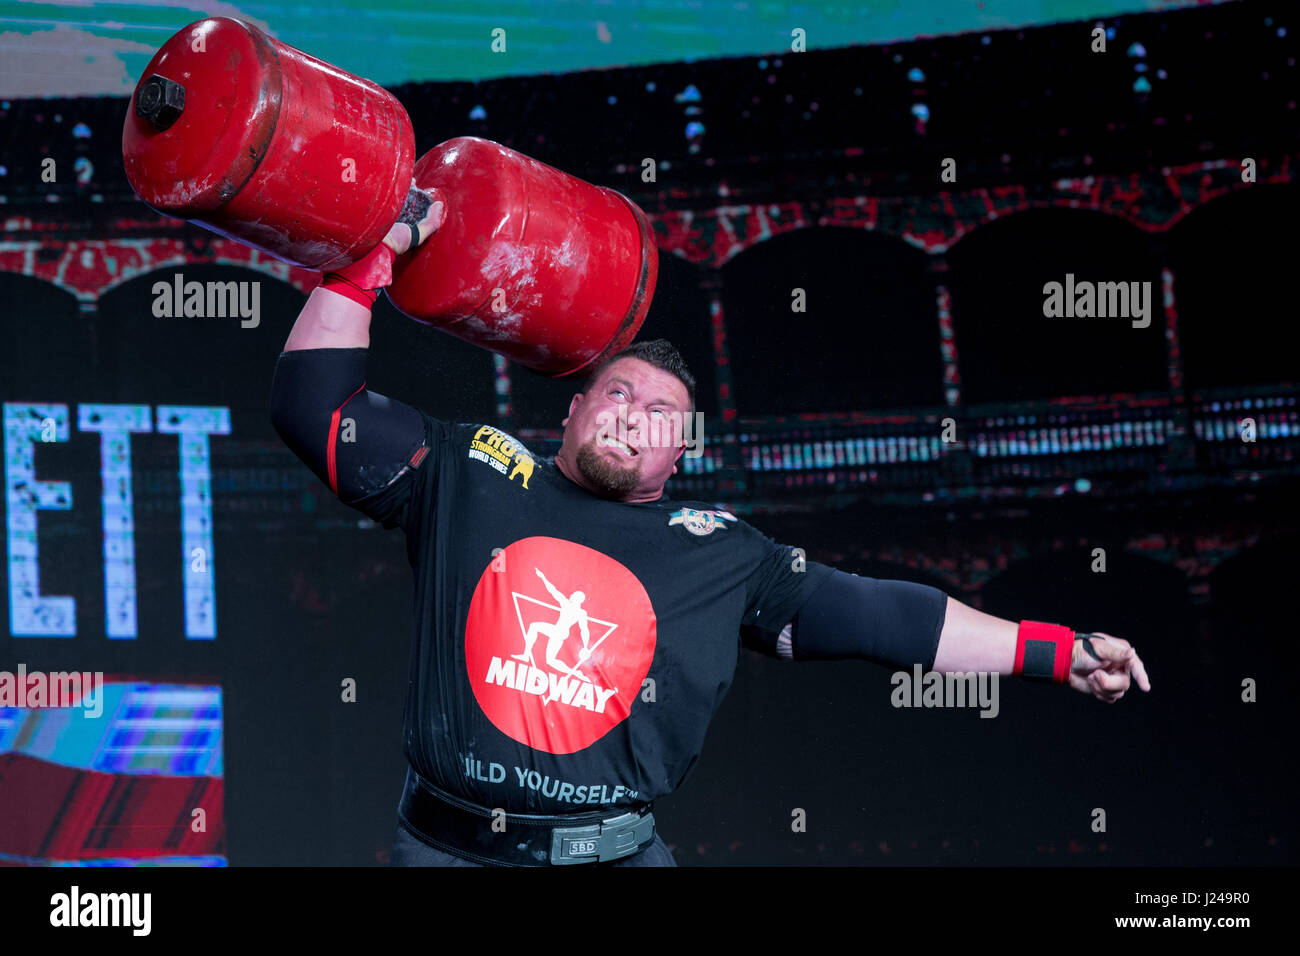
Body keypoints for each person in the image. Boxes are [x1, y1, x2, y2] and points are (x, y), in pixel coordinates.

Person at [269, 195, 1152, 867]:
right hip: (444, 852)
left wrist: (1055, 650)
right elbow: (316, 407)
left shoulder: (724, 551)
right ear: (573, 414)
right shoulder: (473, 471)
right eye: (616, 393)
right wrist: (371, 258)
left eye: (662, 412)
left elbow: (884, 617)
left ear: (679, 454)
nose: (633, 414)